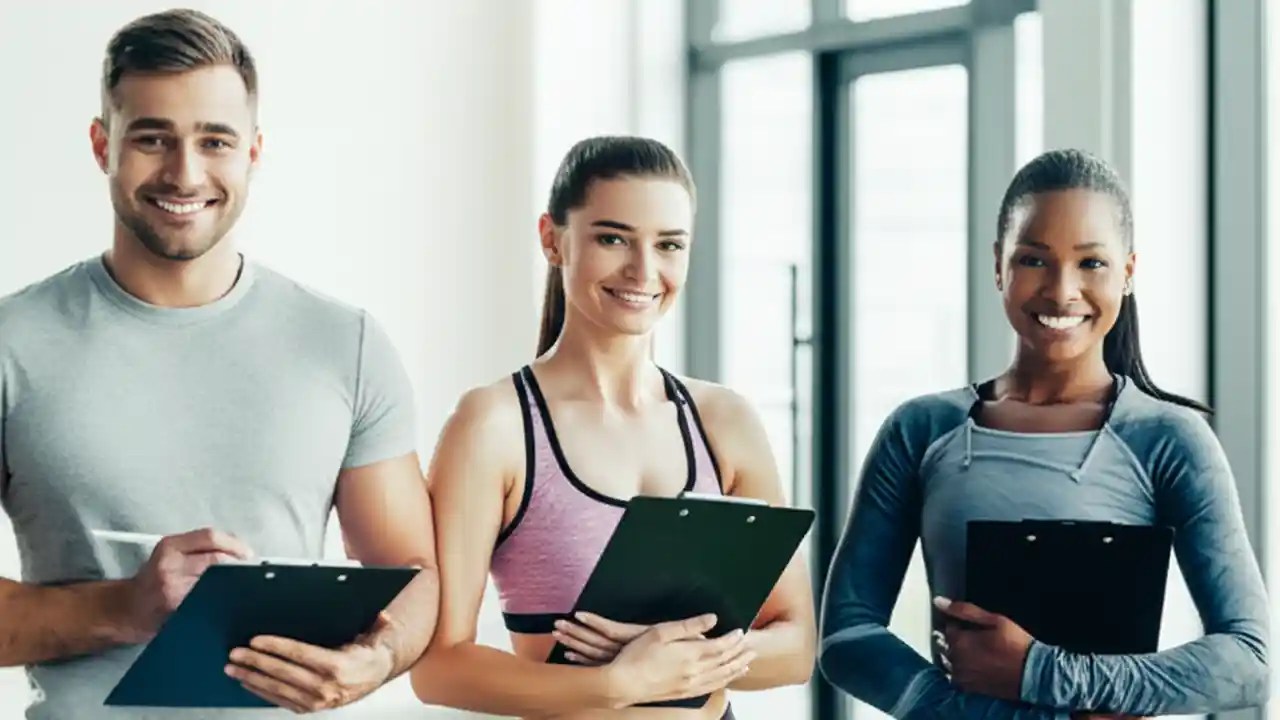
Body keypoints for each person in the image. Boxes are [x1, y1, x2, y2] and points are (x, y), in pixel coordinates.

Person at [0, 9, 439, 719]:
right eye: (152, 138)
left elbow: (414, 570)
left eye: (215, 141)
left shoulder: (344, 343)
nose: (185, 172)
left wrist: (375, 660)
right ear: (100, 143)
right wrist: (124, 606)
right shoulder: (12, 341)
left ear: (254, 152)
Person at [817, 148, 1270, 719]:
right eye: (1034, 260)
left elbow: (1247, 663)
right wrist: (960, 710)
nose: (1061, 291)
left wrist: (1042, 673)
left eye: (1091, 263)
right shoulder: (920, 429)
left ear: (1128, 273)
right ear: (998, 265)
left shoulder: (1170, 439)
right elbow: (846, 638)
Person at [410, 135, 816, 719]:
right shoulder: (494, 426)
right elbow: (439, 667)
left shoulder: (724, 421)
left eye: (669, 245)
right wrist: (620, 682)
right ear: (553, 239)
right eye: (612, 238)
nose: (643, 270)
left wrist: (682, 656)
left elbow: (796, 646)